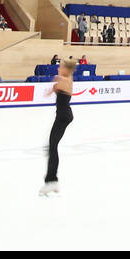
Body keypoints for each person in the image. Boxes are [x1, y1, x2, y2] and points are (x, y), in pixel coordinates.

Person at [39, 59, 76, 196]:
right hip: (64, 115)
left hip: (62, 116)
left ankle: (51, 181)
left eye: (61, 67)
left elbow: (57, 86)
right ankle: (52, 180)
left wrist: (55, 84)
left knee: (52, 147)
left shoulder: (64, 80)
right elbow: (56, 88)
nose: (58, 69)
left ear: (67, 69)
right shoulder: (68, 78)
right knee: (52, 146)